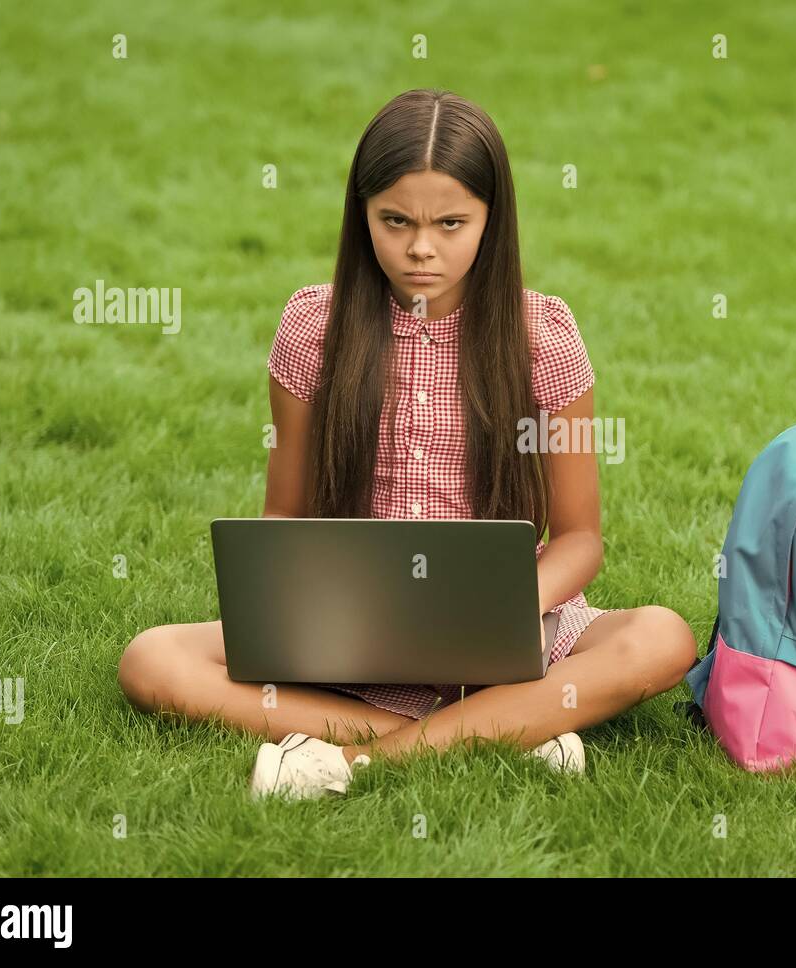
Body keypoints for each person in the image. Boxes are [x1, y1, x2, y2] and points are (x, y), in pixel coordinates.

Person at [117, 88, 697, 800]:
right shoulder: (311, 329)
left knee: (663, 638)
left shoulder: (544, 337)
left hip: (506, 631)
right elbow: (284, 518)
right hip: (352, 630)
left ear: (493, 218)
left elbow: (580, 539)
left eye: (451, 223)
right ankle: (501, 732)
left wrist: (503, 612)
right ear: (362, 216)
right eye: (395, 221)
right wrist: (302, 608)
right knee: (152, 660)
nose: (421, 247)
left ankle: (360, 755)